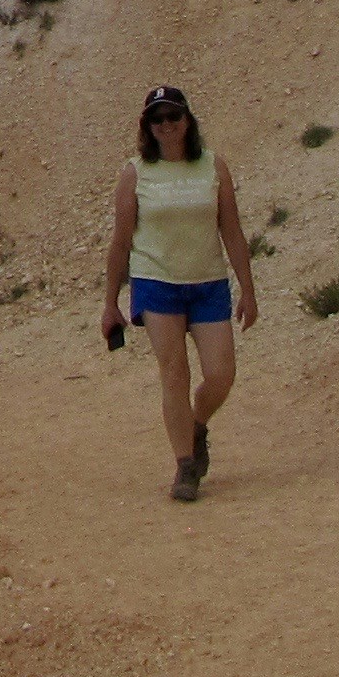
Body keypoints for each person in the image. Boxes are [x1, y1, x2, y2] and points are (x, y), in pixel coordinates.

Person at [97, 84, 257, 501]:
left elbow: (232, 231)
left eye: (173, 116)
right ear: (147, 127)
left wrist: (248, 288)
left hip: (208, 283)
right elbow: (121, 240)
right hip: (156, 282)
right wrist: (110, 302)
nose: (166, 125)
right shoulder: (135, 173)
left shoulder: (213, 167)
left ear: (187, 120)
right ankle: (186, 466)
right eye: (157, 119)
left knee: (221, 374)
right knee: (175, 372)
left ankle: (197, 425)